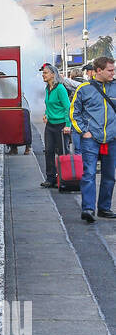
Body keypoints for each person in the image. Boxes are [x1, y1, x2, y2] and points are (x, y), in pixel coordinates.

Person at [68, 55, 116, 222]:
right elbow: (74, 112)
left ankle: (104, 208)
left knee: (109, 175)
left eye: (114, 69)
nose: (113, 73)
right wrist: (84, 132)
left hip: (112, 138)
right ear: (98, 71)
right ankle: (88, 209)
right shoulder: (84, 89)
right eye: (110, 70)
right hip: (90, 138)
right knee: (88, 173)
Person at [40, 62, 72, 187]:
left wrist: (68, 125)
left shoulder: (60, 88)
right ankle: (50, 178)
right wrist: (46, 114)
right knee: (48, 151)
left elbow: (67, 107)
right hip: (50, 125)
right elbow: (48, 105)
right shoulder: (47, 88)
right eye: (43, 73)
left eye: (45, 73)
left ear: (53, 74)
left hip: (61, 126)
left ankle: (64, 178)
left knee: (62, 152)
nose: (43, 75)